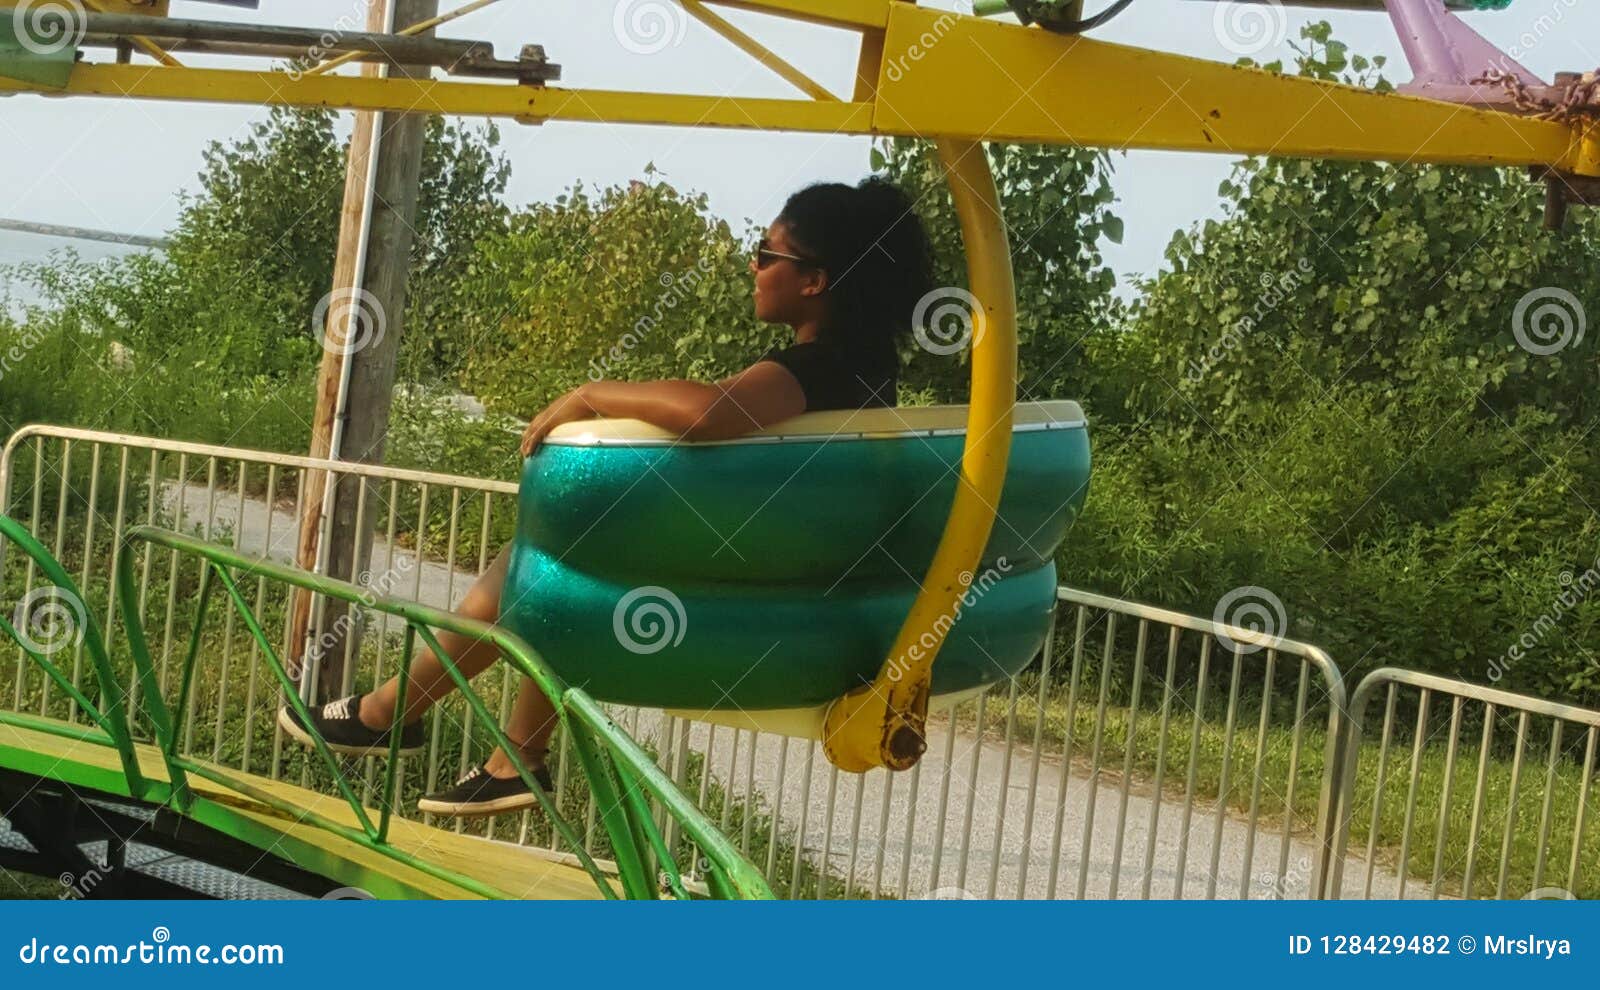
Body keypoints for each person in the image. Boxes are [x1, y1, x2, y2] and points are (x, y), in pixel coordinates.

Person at [280, 177, 935, 816]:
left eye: (766, 255)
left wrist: (592, 394)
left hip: (754, 594)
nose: (753, 266)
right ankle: (499, 751)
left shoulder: (818, 370)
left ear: (814, 281)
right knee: (550, 562)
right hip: (797, 574)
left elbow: (711, 411)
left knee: (548, 563)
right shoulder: (864, 370)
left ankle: (395, 719)